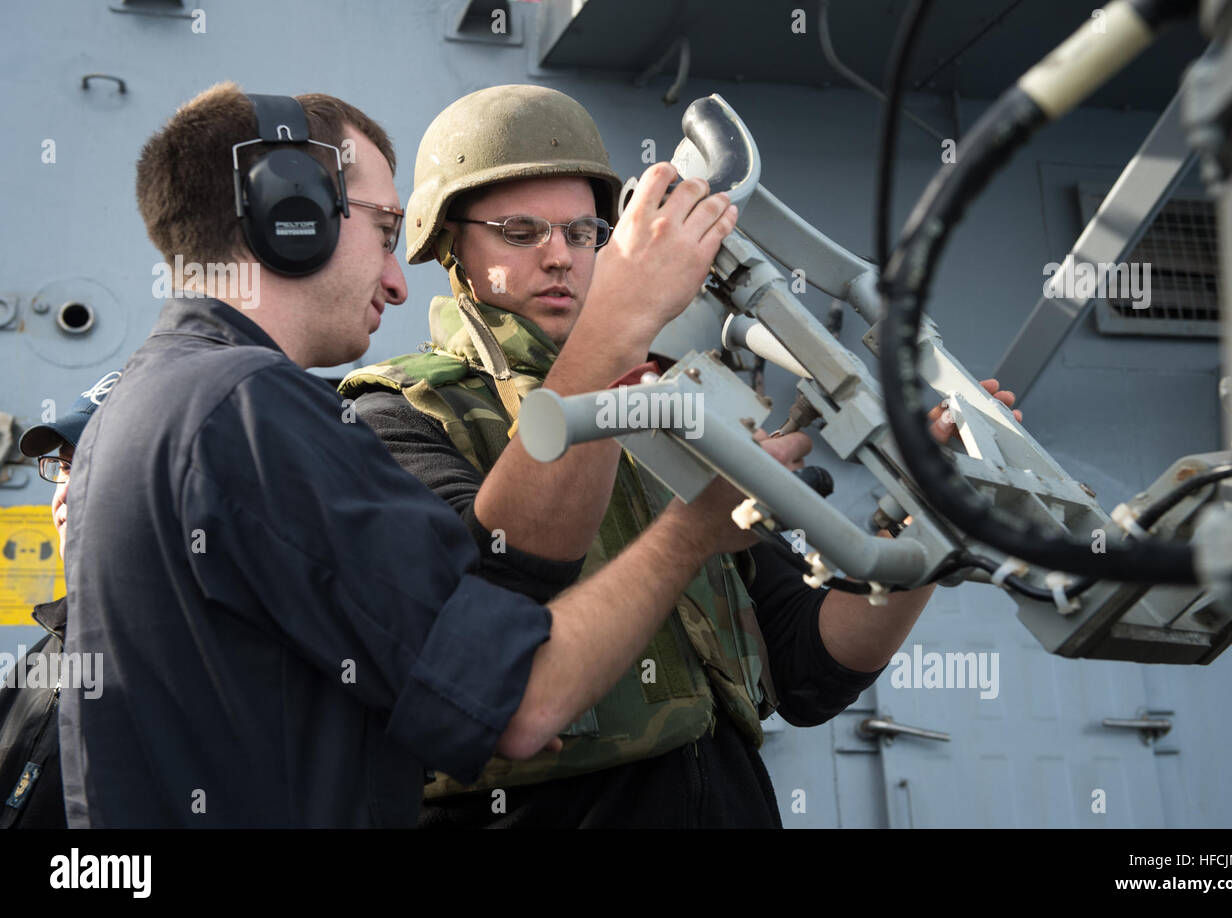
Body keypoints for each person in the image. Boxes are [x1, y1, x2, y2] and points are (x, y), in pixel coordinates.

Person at [61, 82, 785, 828]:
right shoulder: (249, 410)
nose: (400, 282)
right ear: (292, 215)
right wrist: (693, 530)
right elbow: (524, 702)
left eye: (580, 233)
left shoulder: (159, 403)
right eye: (382, 230)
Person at [343, 84, 1021, 827]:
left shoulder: (672, 407)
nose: (560, 257)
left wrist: (925, 516)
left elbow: (807, 669)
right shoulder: (395, 419)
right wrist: (625, 324)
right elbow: (483, 654)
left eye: (583, 233)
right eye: (519, 230)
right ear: (451, 249)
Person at [0, 370, 119, 828]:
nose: (64, 494)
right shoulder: (48, 649)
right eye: (64, 467)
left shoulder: (197, 664)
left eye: (91, 467)